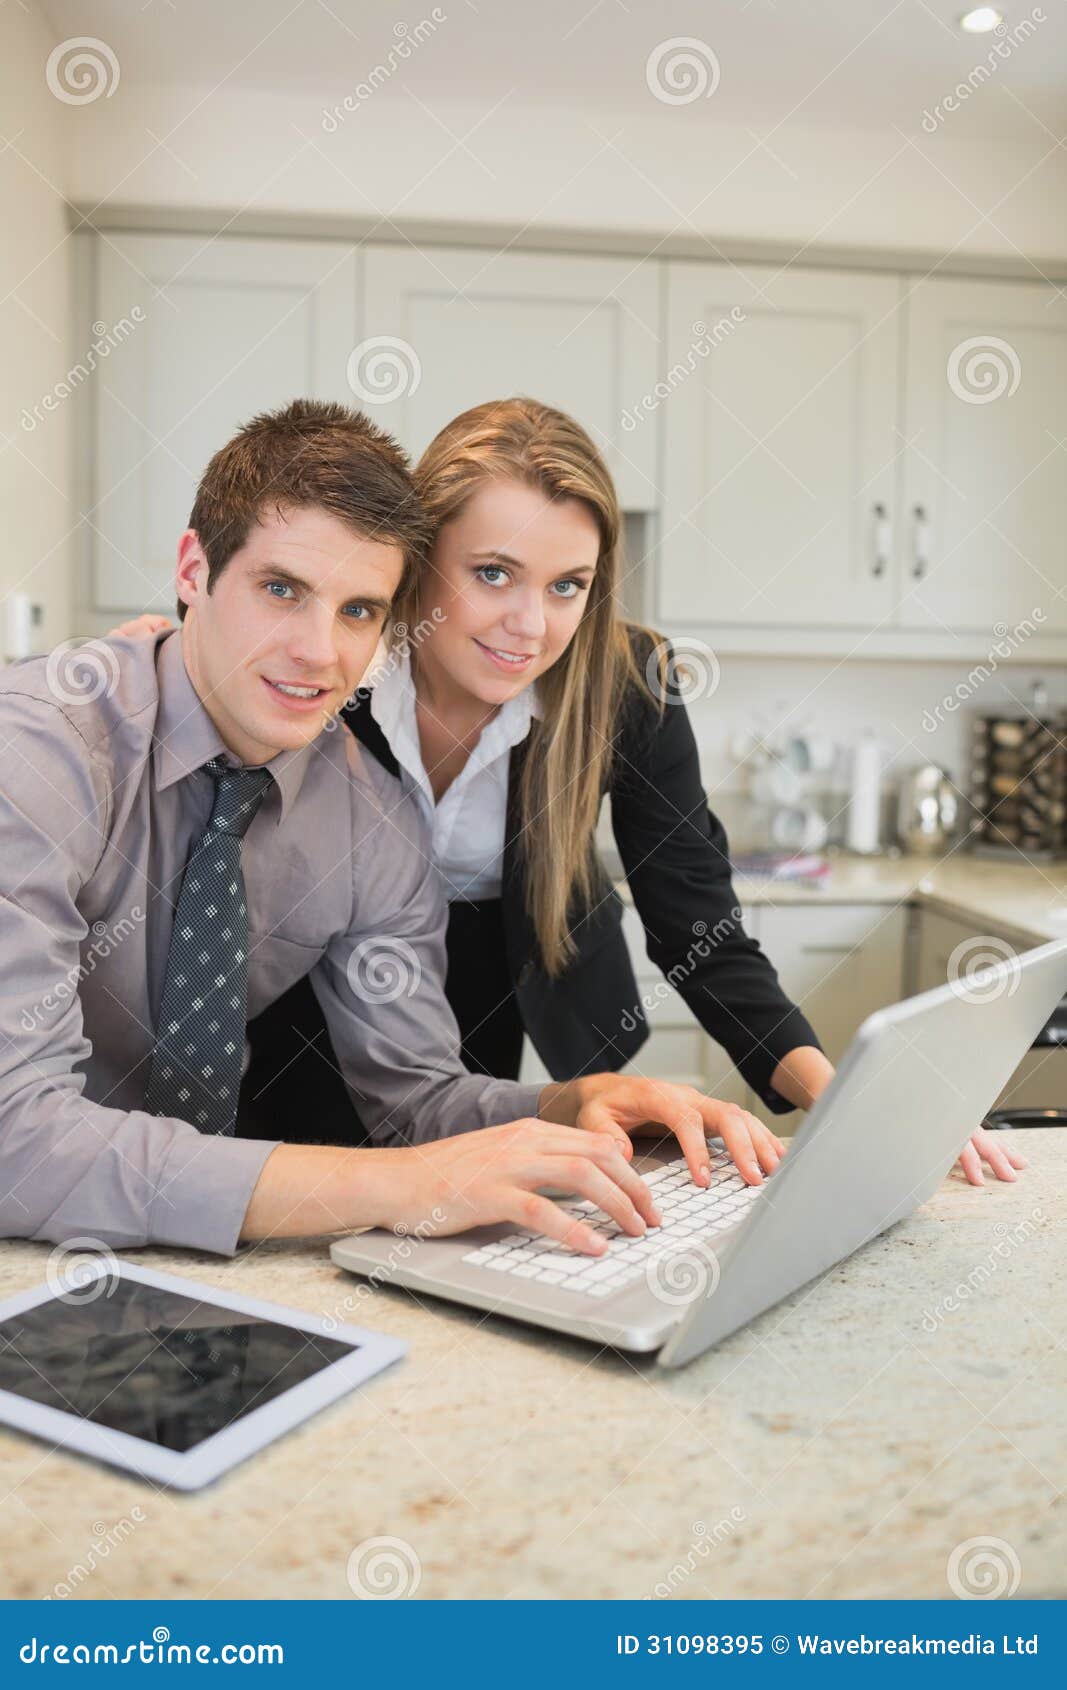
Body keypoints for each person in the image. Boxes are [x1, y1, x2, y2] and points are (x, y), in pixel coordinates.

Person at [113, 398, 1023, 1189]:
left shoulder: (626, 686)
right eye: (492, 574)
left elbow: (699, 927)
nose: (529, 625)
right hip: (296, 988)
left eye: (568, 586)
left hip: (497, 979)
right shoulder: (326, 664)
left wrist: (846, 1099)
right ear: (418, 561)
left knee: (460, 1199)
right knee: (299, 1195)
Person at [0, 399, 793, 1267]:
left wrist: (568, 1107)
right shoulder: (41, 751)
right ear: (193, 569)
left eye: (358, 611)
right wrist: (401, 1186)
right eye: (281, 589)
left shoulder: (370, 817)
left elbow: (416, 1102)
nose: (317, 650)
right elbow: (15, 1139)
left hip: (184, 1260)